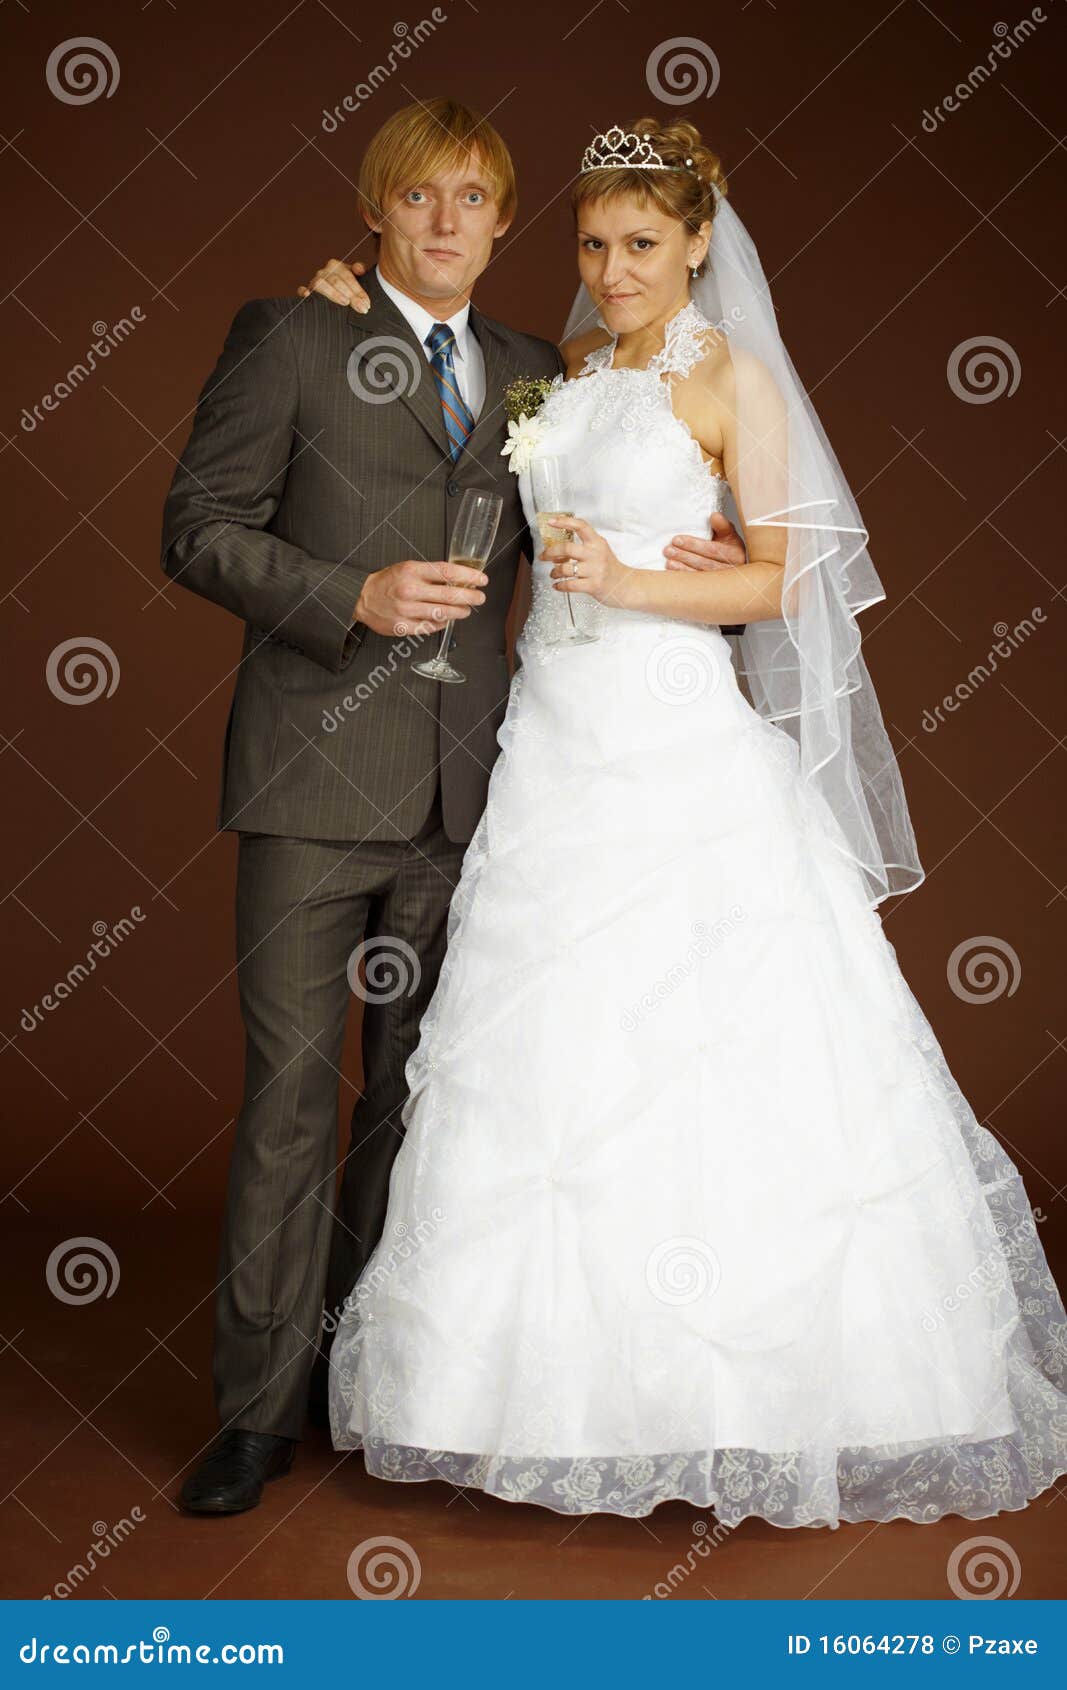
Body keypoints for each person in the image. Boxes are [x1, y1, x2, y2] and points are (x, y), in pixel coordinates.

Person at [322, 118, 1067, 1525]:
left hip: (673, 739)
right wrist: (336, 289)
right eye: (594, 245)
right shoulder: (563, 372)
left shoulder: (732, 380)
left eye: (643, 245)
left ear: (700, 242)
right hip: (552, 743)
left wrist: (626, 582)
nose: (613, 271)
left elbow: (786, 579)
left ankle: (743, 1400)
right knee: (552, 1044)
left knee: (712, 1043)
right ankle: (529, 1392)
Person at [162, 98, 745, 1516]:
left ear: (499, 222)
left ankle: (364, 1373)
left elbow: (605, 524)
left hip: (477, 793)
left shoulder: (546, 370)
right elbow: (197, 526)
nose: (443, 223)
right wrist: (344, 596)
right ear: (376, 209)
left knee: (424, 1103)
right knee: (297, 1095)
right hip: (311, 782)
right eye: (417, 198)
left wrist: (706, 555)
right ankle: (256, 1409)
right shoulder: (292, 336)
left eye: (471, 201)